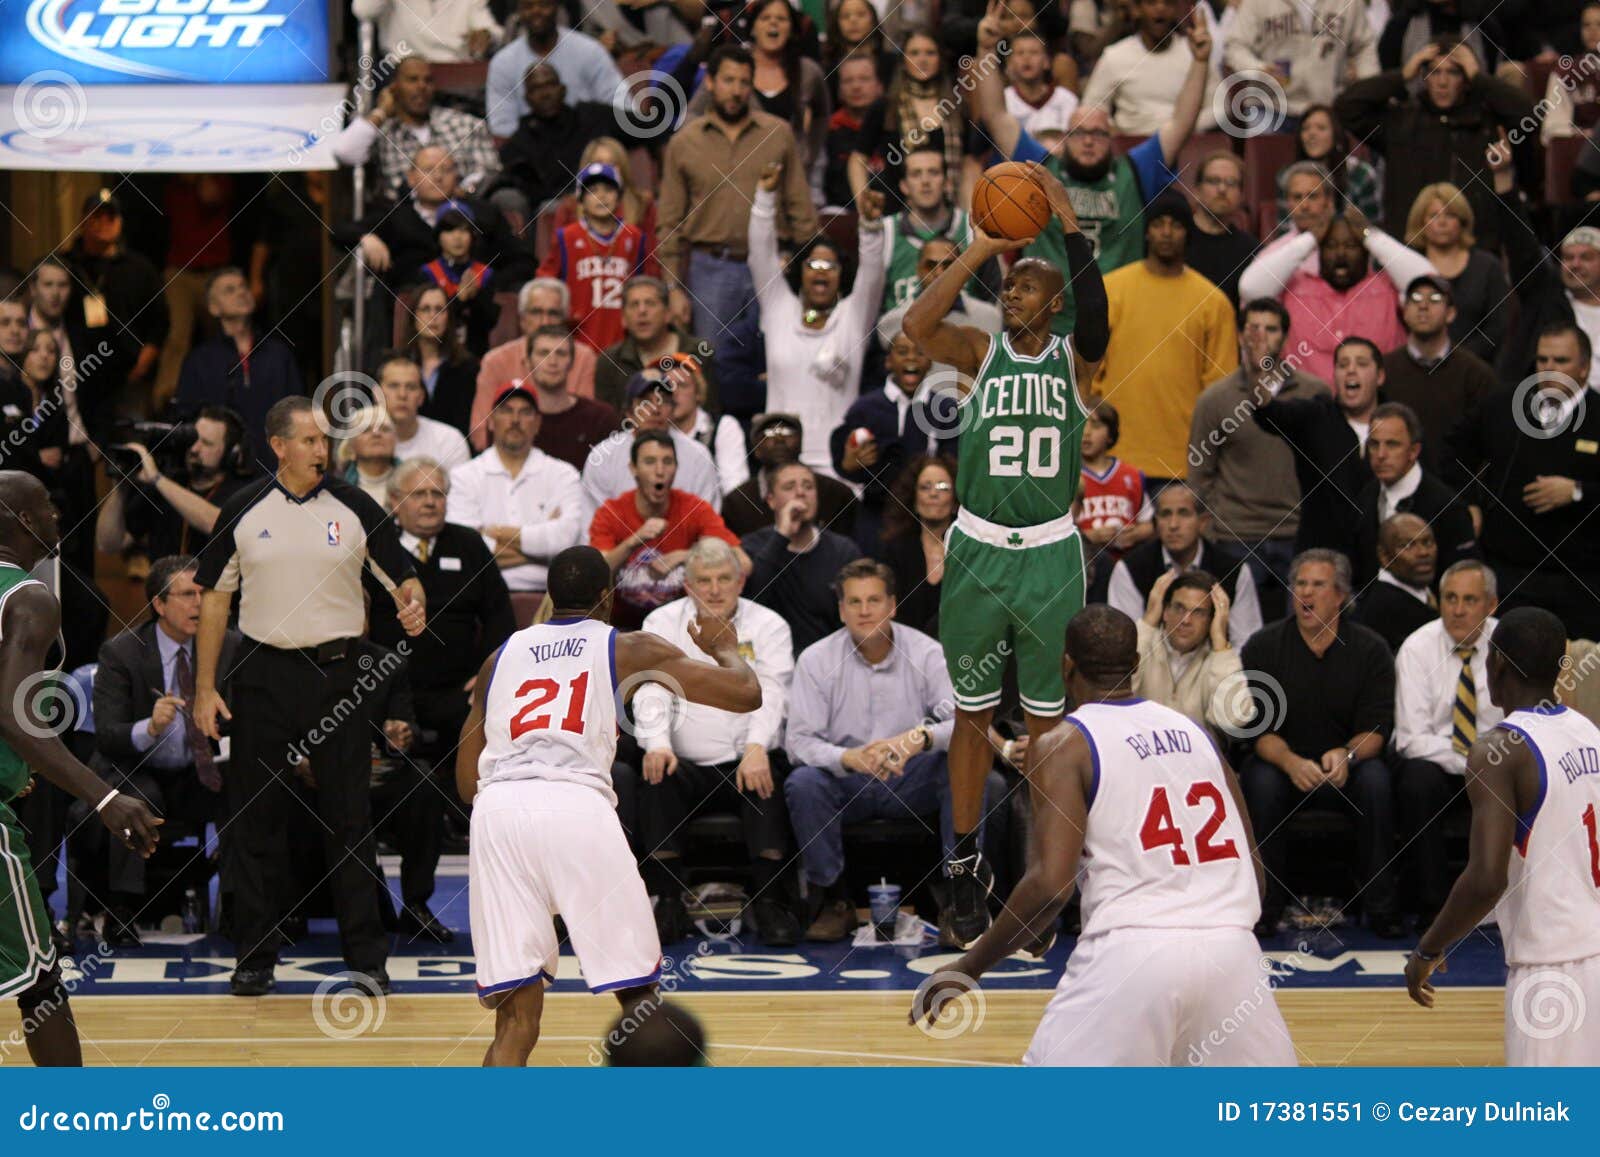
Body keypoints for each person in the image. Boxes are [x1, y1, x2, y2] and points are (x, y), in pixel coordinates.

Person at [912, 604, 1295, 1066]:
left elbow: (1051, 886)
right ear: (1135, 664)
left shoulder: (1062, 744)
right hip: (1232, 955)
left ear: (1066, 665)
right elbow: (1255, 873)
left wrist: (969, 967)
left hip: (1132, 955)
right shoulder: (1197, 734)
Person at [902, 158, 1107, 949]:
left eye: (1025, 285)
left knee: (1052, 729)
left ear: (1054, 303)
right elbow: (916, 325)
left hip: (1050, 553)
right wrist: (984, 246)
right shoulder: (978, 352)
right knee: (972, 714)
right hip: (979, 550)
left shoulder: (1076, 361)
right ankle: (962, 871)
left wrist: (1066, 220)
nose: (1011, 292)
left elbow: (1096, 312)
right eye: (1009, 285)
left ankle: (1047, 881)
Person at [456, 544, 762, 1066]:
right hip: (576, 808)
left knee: (515, 1022)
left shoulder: (498, 658)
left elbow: (467, 783)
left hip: (499, 813)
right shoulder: (628, 646)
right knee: (640, 1002)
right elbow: (744, 693)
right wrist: (726, 648)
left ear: (550, 595)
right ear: (607, 597)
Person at [192, 396, 428, 996]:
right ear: (278, 446)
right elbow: (214, 599)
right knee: (255, 821)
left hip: (338, 676)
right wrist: (204, 688)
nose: (322, 450)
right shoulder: (242, 508)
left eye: (325, 440)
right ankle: (254, 958)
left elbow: (401, 573)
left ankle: (368, 960)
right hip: (262, 673)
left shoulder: (355, 505)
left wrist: (413, 598)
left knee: (349, 819)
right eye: (310, 440)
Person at [0, 471, 161, 1065]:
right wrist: (105, 797)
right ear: (21, 520)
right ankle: (73, 1115)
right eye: (46, 506)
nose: (57, 516)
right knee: (41, 981)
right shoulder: (29, 598)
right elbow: (14, 716)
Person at [1406, 607, 1600, 1065]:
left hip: (1554, 972)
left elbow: (1486, 879)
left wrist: (1428, 948)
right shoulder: (1588, 732)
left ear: (1496, 665)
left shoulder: (1498, 750)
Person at [785, 560, 1012, 944]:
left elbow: (964, 724)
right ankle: (832, 899)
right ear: (841, 610)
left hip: (911, 775)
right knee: (804, 783)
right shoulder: (816, 660)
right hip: (848, 780)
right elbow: (798, 742)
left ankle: (959, 898)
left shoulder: (926, 652)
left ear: (892, 605)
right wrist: (848, 758)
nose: (864, 611)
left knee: (976, 777)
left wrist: (918, 739)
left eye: (874, 600)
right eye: (854, 602)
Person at [973, 8, 1211, 337]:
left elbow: (1181, 123)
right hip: (1048, 326)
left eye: (1098, 134)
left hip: (1119, 323)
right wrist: (986, 49)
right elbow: (997, 115)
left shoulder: (1135, 170)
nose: (1088, 141)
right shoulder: (1041, 169)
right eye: (1079, 133)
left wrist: (1200, 61)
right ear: (1065, 139)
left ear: (1112, 139)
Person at [368, 458, 514, 939]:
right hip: (387, 697)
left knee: (495, 739)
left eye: (438, 494)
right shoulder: (376, 550)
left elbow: (499, 615)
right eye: (419, 494)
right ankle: (370, 900)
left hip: (459, 694)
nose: (430, 503)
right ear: (394, 502)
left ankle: (493, 866)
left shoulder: (468, 544)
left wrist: (488, 672)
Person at [631, 539, 799, 946]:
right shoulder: (660, 623)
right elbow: (651, 687)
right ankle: (666, 901)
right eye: (704, 581)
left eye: (724, 579)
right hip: (683, 762)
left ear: (740, 582)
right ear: (688, 585)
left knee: (767, 778)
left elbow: (773, 690)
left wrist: (757, 745)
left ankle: (770, 901)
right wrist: (657, 743)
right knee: (655, 775)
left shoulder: (769, 625)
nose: (715, 589)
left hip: (745, 759)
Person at [1239, 549, 1401, 938]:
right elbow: (1257, 732)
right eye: (1300, 584)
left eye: (1318, 585)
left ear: (1340, 595)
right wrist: (1290, 762)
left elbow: (1376, 730)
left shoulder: (1370, 649)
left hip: (1346, 766)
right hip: (1284, 764)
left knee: (1376, 781)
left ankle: (1382, 909)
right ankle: (1263, 908)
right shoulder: (1262, 646)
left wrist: (1347, 754)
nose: (1306, 593)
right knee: (1260, 781)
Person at [658, 44, 818, 423]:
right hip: (710, 267)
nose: (736, 90)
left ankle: (780, 437)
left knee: (778, 358)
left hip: (772, 265)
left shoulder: (777, 134)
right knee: (712, 367)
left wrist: (802, 266)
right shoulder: (684, 142)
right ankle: (715, 441)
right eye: (728, 80)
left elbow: (800, 208)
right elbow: (669, 223)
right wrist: (672, 287)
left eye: (744, 82)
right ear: (711, 83)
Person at [90, 556, 240, 946]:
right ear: (159, 604)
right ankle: (123, 910)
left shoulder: (229, 645)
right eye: (187, 594)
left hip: (201, 770)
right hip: (141, 768)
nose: (199, 604)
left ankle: (238, 905)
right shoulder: (122, 652)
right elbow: (107, 736)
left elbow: (248, 717)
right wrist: (150, 727)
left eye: (204, 594)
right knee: (136, 795)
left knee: (244, 787)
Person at [1443, 322, 1600, 640]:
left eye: (1561, 361)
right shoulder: (1504, 405)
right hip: (1510, 573)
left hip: (1579, 579)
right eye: (1543, 360)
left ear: (1584, 368)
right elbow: (1451, 452)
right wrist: (1468, 503)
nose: (1549, 370)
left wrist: (1578, 491)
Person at [1335, 38, 1536, 254]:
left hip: (1474, 251)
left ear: (1466, 79)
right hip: (1410, 250)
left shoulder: (1486, 123)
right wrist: (1402, 75)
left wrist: (1480, 78)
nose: (1442, 82)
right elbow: (1347, 107)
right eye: (1434, 72)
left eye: (1453, 73)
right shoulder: (1401, 120)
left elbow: (1531, 115)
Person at [751, 163, 886, 479]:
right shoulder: (778, 308)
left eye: (830, 266)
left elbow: (873, 273)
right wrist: (765, 199)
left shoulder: (854, 316)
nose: (821, 272)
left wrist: (870, 227)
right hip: (780, 459)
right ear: (800, 271)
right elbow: (760, 256)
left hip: (836, 463)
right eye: (813, 265)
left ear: (842, 275)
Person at [1095, 194, 1240, 484]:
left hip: (1184, 461)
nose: (1166, 232)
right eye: (1158, 224)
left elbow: (1220, 389)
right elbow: (1089, 374)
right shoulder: (1111, 289)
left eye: (1176, 225)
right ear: (1147, 231)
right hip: (1114, 459)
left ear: (1188, 233)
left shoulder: (1213, 303)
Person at [1188, 298, 1321, 606]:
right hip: (1236, 535)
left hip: (1298, 532)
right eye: (1253, 329)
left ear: (1285, 338)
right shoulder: (1215, 399)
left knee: (1302, 624)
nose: (1261, 337)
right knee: (1234, 625)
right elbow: (1200, 469)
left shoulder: (1313, 393)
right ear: (1239, 336)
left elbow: (1326, 463)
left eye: (1271, 329)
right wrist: (1211, 526)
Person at [1391, 558, 1501, 929]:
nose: (1457, 610)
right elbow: (1410, 740)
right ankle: (1434, 907)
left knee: (1525, 775)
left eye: (1470, 600)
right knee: (1416, 780)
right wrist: (1473, 759)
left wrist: (1492, 761)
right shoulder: (1417, 647)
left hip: (1498, 763)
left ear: (1491, 604)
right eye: (1450, 598)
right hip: (1439, 763)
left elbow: (1523, 725)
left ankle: (1512, 900)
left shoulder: (1509, 645)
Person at [1237, 207, 1438, 385]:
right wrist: (1310, 239)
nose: (1340, 254)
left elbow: (1429, 282)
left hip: (1380, 406)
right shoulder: (1295, 287)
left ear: (1366, 251)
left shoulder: (1387, 287)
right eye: (1331, 246)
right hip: (1304, 408)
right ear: (1318, 251)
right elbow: (1250, 289)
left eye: (1351, 246)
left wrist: (1372, 237)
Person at [589, 430, 747, 626]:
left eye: (667, 462)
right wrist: (633, 542)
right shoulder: (611, 512)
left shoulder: (694, 509)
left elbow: (744, 564)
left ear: (676, 468)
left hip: (683, 626)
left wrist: (687, 556)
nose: (660, 471)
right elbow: (594, 574)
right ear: (633, 468)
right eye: (649, 462)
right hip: (621, 626)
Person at [1251, 335, 1381, 557]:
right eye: (1342, 365)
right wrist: (1258, 374)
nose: (1351, 370)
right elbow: (1268, 413)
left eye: (1361, 364)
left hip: (1377, 555)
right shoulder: (1316, 416)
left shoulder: (1396, 421)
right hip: (1319, 557)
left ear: (1380, 376)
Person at [448, 384, 584, 593]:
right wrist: (544, 551)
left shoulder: (564, 474)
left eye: (525, 412)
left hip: (550, 597)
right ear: (491, 421)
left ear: (537, 423)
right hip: (482, 595)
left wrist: (496, 532)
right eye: (507, 411)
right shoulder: (464, 476)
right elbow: (465, 550)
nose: (515, 420)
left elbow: (566, 541)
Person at [171, 268, 302, 474]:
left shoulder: (279, 353)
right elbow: (187, 419)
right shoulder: (199, 360)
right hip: (221, 476)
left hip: (276, 471)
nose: (241, 292)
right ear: (214, 308)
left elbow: (298, 414)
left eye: (244, 287)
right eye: (229, 290)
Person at [685, 0, 830, 183]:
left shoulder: (808, 71)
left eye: (781, 19)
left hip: (791, 177)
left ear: (792, 29)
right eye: (765, 18)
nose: (773, 23)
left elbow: (822, 114)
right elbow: (691, 116)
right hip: (738, 178)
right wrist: (713, 153)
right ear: (752, 27)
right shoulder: (732, 68)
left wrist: (808, 155)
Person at [1107, 481, 1264, 649]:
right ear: (1156, 523)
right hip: (1150, 662)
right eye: (1165, 514)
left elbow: (1246, 644)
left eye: (1184, 514)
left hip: (1214, 662)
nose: (1173, 525)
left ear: (1203, 522)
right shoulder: (1130, 569)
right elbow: (1125, 644)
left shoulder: (1234, 571)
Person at [62, 190, 168, 435]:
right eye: (96, 216)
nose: (104, 223)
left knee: (130, 442)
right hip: (74, 378)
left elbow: (160, 322)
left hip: (127, 378)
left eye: (111, 217)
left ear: (120, 222)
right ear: (82, 221)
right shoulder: (64, 265)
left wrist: (141, 366)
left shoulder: (140, 268)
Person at [93, 406, 256, 563]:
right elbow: (108, 544)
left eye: (206, 443)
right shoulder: (167, 484)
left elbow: (217, 524)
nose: (194, 449)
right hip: (163, 582)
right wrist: (119, 488)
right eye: (193, 439)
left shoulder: (244, 491)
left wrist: (157, 478)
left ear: (232, 453)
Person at [1491, 151, 1600, 386]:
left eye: (1586, 257)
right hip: (1550, 403)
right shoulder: (1545, 298)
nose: (1575, 264)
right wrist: (1503, 178)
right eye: (1568, 257)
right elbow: (1521, 248)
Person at [331, 56, 501, 199]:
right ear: (394, 87)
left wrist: (461, 192)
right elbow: (344, 152)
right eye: (412, 80)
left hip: (460, 210)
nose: (421, 86)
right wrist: (381, 112)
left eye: (428, 80)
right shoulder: (382, 131)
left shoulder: (465, 124)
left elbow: (490, 171)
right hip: (403, 217)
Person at [834, 335, 946, 553]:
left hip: (925, 516)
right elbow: (844, 462)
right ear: (888, 361)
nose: (911, 358)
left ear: (930, 361)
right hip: (875, 514)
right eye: (902, 352)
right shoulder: (865, 408)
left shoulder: (946, 409)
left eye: (920, 352)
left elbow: (953, 462)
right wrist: (848, 465)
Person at [536, 163, 659, 354]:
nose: (601, 196)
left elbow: (646, 282)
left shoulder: (634, 236)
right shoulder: (566, 237)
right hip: (578, 337)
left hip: (623, 337)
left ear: (619, 196)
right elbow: (545, 280)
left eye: (609, 190)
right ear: (581, 199)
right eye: (593, 191)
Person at [742, 462, 864, 654]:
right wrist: (781, 536)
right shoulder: (752, 547)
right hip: (767, 659)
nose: (801, 493)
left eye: (808, 486)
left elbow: (857, 614)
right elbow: (752, 602)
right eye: (789, 487)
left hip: (828, 659)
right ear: (771, 500)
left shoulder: (843, 551)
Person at [1353, 401, 1478, 587]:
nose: (1381, 454)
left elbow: (1465, 580)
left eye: (1392, 444)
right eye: (1374, 444)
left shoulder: (1448, 508)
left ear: (1414, 451)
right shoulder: (1365, 497)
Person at [1380, 273, 1498, 468]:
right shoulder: (1384, 370)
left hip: (1457, 483)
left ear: (1450, 313)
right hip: (1395, 479)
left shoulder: (1476, 374)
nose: (1423, 306)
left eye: (1434, 299)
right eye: (1415, 298)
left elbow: (1490, 442)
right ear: (1404, 312)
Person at [494, 64, 630, 218]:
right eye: (536, 89)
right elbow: (527, 193)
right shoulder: (519, 143)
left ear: (562, 90)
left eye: (550, 85)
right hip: (558, 210)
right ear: (527, 98)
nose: (545, 94)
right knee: (550, 208)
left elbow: (645, 130)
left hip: (606, 197)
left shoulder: (594, 116)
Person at [581, 371, 719, 518]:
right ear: (629, 412)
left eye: (663, 401)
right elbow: (594, 522)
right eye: (645, 402)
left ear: (673, 410)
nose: (655, 409)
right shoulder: (603, 456)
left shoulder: (698, 456)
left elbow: (707, 520)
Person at [1134, 570, 1253, 738]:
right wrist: (1147, 623)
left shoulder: (1218, 661)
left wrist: (1220, 642)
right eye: (1179, 608)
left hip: (1197, 754)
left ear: (1211, 620)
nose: (1186, 620)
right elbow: (1113, 695)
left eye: (1198, 612)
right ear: (1165, 611)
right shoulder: (1143, 646)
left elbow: (1232, 720)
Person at [1400, 186, 1510, 364]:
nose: (1442, 222)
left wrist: (1456, 359)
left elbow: (1498, 326)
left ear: (1462, 222)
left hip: (1477, 366)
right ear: (1421, 223)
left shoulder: (1488, 267)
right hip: (1417, 364)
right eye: (1434, 216)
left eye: (1450, 215)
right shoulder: (1406, 266)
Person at [485, 0, 626, 136]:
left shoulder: (590, 51)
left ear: (557, 6)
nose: (536, 11)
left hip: (590, 144)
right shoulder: (502, 63)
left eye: (544, 4)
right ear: (518, 11)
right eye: (528, 6)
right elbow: (502, 128)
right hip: (530, 147)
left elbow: (623, 109)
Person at [1223, 0, 1379, 120]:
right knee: (1266, 153)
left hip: (1328, 108)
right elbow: (1235, 45)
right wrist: (1258, 69)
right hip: (1270, 106)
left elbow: (1364, 46)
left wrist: (1368, 90)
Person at [1081, 0, 1218, 135]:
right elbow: (1091, 107)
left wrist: (1180, 130)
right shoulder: (1114, 56)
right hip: (1131, 141)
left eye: (1168, 3)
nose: (1160, 8)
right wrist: (1111, 129)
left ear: (1176, 9)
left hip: (1189, 140)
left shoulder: (1196, 53)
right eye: (1151, 2)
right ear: (1137, 10)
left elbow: (1219, 108)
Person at [595, 277, 717, 414]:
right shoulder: (610, 361)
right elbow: (608, 419)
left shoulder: (699, 352)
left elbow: (712, 410)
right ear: (623, 318)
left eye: (650, 303)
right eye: (634, 305)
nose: (642, 311)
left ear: (668, 314)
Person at [723, 413, 856, 538]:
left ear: (801, 444)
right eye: (769, 433)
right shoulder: (737, 502)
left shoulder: (836, 493)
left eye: (788, 432)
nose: (779, 439)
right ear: (756, 449)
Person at [878, 150, 977, 314]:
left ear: (947, 183)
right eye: (916, 174)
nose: (925, 181)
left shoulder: (972, 227)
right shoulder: (885, 231)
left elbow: (992, 295)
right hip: (899, 329)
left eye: (933, 172)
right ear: (904, 186)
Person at [511, 326, 620, 472]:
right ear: (528, 362)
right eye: (543, 353)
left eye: (561, 354)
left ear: (572, 362)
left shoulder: (601, 419)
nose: (552, 362)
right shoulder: (512, 419)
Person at [1076, 399, 1153, 601]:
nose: (1086, 432)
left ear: (1110, 434)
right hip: (1083, 568)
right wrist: (1089, 537)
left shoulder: (1132, 475)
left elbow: (1150, 523)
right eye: (1081, 424)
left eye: (1096, 425)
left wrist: (1135, 534)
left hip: (1126, 566)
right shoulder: (1066, 476)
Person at [876, 455, 956, 640]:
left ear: (955, 500)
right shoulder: (894, 550)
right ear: (914, 499)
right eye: (925, 487)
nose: (933, 493)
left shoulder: (970, 549)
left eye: (943, 487)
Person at [1272, 104, 1383, 224]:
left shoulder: (1361, 174)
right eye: (1305, 128)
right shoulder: (1287, 175)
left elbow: (1372, 227)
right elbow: (1284, 227)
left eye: (1321, 128)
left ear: (1336, 135)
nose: (1311, 134)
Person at [1349, 513, 1441, 654]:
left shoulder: (1431, 592)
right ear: (1384, 556)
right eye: (1407, 545)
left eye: (1427, 542)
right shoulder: (1383, 610)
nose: (1423, 552)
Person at [400, 284, 478, 437]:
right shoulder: (397, 364)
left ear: (448, 318)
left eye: (439, 310)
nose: (433, 316)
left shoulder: (467, 367)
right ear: (413, 316)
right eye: (425, 309)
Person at [666, 354, 746, 499]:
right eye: (667, 387)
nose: (674, 393)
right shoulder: (654, 432)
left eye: (682, 385)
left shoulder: (723, 426)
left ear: (698, 393)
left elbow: (734, 486)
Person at [377, 353, 472, 472]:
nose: (402, 395)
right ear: (377, 394)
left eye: (411, 387)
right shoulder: (359, 437)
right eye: (393, 386)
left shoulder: (449, 440)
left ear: (421, 397)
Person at [1187, 152, 1259, 307]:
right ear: (1197, 191)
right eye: (1214, 181)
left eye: (1231, 183)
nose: (1222, 189)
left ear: (1241, 196)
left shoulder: (1251, 249)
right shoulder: (1176, 239)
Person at [351, 0, 499, 63]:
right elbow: (363, 10)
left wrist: (487, 35)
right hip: (403, 71)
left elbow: (489, 28)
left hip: (455, 72)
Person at [1002, 29, 1080, 137]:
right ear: (1009, 63)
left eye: (1034, 52)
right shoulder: (1002, 101)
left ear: (1046, 62)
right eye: (1020, 53)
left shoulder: (1067, 99)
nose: (1026, 58)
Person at [337, 406, 400, 507]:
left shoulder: (413, 480)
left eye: (384, 429)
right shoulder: (336, 487)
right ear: (351, 447)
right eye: (366, 430)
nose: (377, 434)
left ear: (395, 441)